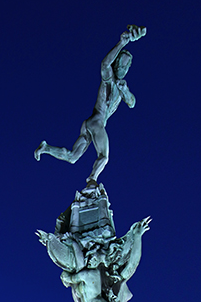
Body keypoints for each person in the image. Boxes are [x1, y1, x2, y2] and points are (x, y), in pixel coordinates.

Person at [35, 25, 146, 184]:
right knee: (104, 157)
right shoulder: (109, 79)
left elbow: (132, 103)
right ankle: (92, 179)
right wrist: (122, 43)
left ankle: (45, 148)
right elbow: (104, 65)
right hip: (97, 122)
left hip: (89, 124)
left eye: (125, 67)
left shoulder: (121, 88)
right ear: (116, 65)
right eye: (120, 65)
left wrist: (126, 90)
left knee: (73, 157)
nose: (122, 69)